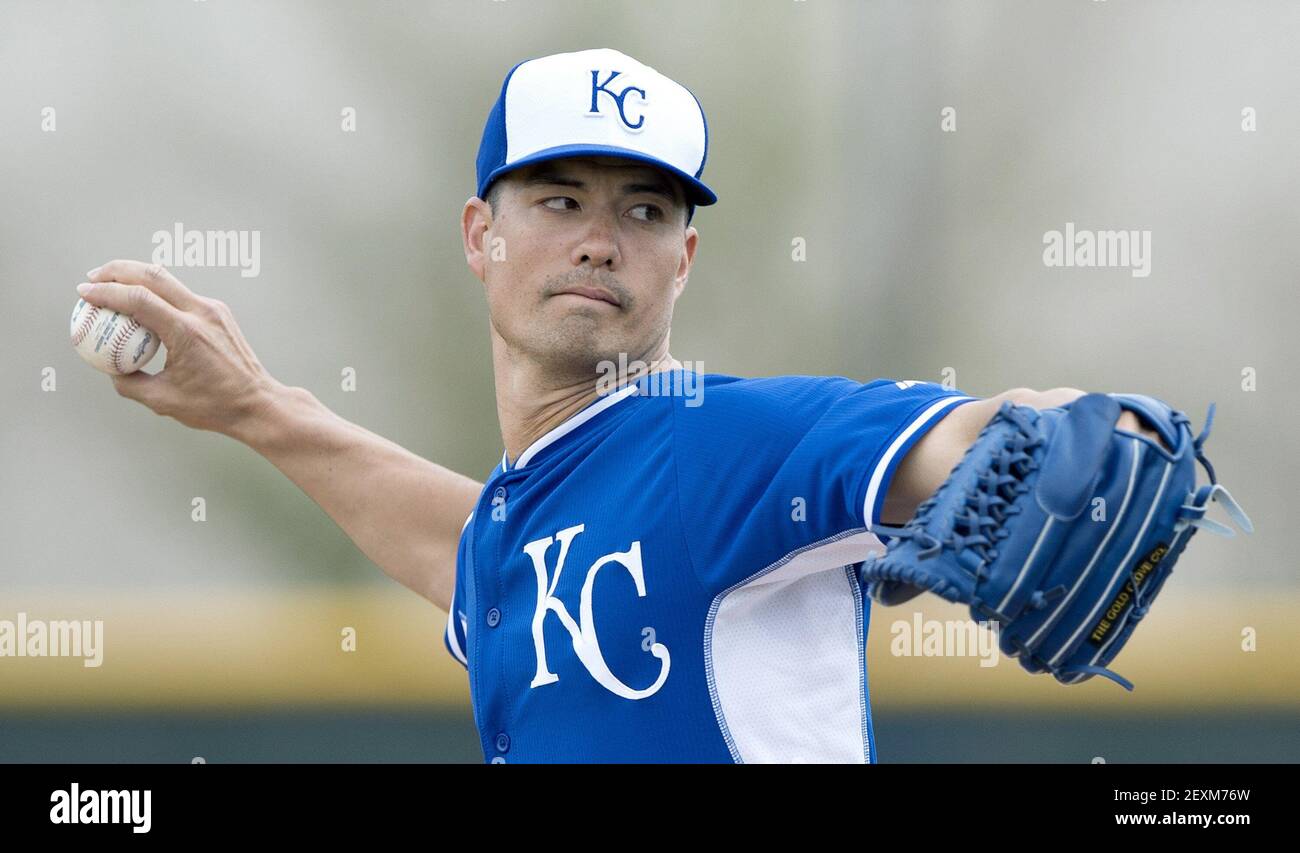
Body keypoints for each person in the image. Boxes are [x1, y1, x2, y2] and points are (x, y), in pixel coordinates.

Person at [76, 48, 1164, 763]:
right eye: (559, 199)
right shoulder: (523, 522)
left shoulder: (722, 443)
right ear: (478, 236)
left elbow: (954, 435)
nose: (601, 237)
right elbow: (470, 547)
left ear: (682, 259)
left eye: (644, 210)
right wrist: (256, 409)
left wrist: (1077, 424)